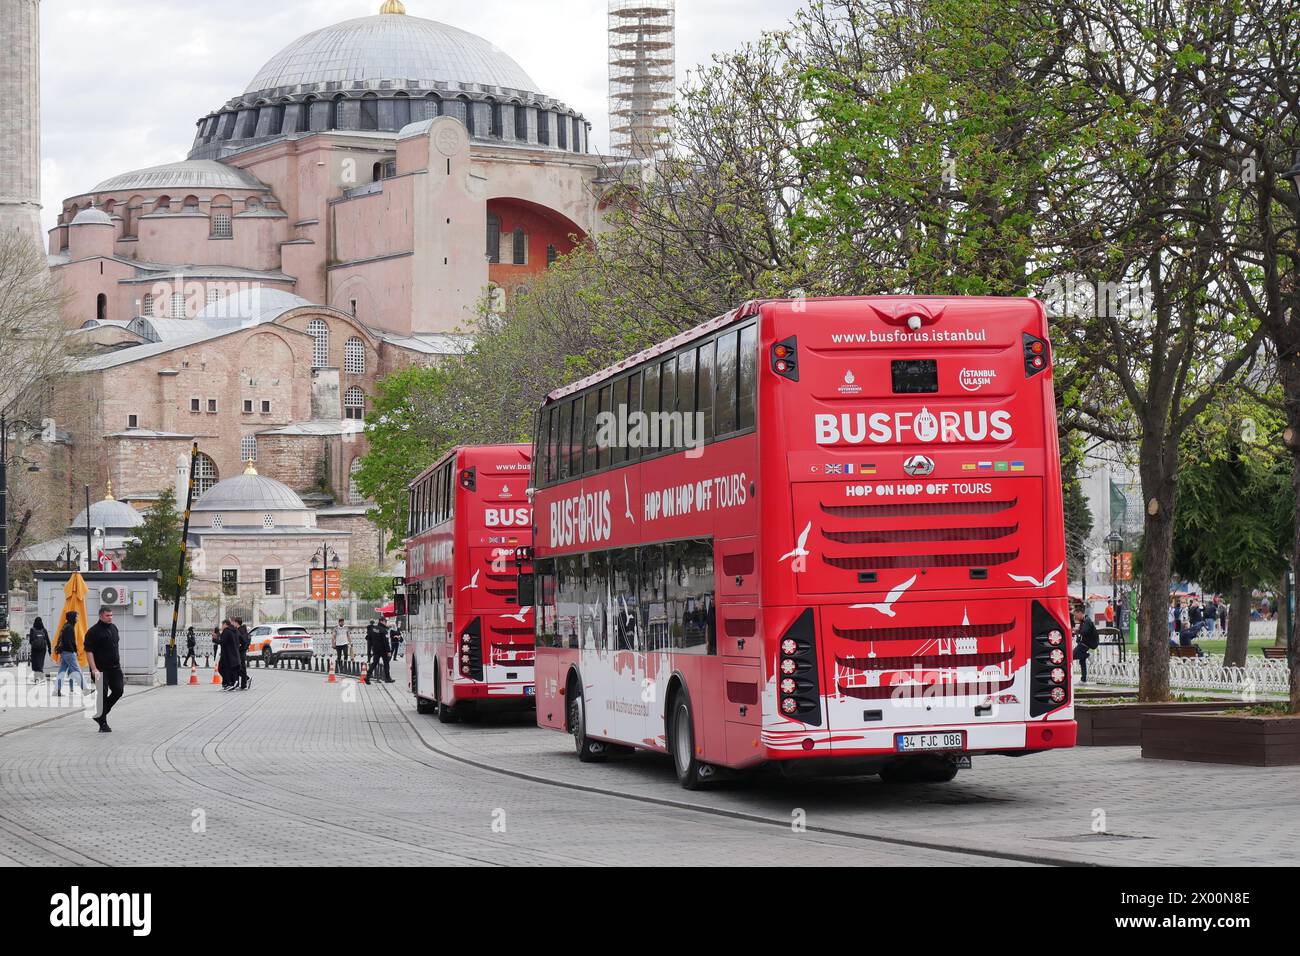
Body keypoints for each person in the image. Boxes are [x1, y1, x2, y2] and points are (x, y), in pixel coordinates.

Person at [83, 607, 124, 733]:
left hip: (115, 668)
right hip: (100, 669)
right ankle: (103, 724)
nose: (110, 617)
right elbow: (88, 651)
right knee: (102, 693)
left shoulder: (114, 628)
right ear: (101, 616)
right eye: (107, 615)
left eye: (111, 615)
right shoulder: (93, 632)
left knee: (118, 691)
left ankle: (101, 714)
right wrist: (94, 668)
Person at [53, 612, 88, 697]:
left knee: (61, 672)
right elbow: (69, 642)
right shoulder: (70, 628)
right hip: (69, 653)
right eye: (76, 617)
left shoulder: (66, 626)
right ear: (72, 617)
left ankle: (56, 691)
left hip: (64, 653)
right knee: (77, 670)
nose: (77, 618)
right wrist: (73, 651)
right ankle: (85, 690)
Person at [1072, 604, 1099, 683]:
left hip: (1088, 643)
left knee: (1072, 655)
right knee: (1082, 660)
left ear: (1080, 613)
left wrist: (1077, 631)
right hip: (1085, 642)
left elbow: (1084, 632)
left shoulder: (1087, 620)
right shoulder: (1083, 621)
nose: (1075, 617)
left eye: (1076, 615)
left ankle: (1088, 655)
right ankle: (1083, 679)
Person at [216, 619, 241, 690]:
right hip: (233, 654)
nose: (221, 626)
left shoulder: (226, 631)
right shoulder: (234, 630)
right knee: (228, 669)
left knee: (221, 668)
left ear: (225, 624)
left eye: (222, 625)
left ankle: (229, 683)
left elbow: (222, 641)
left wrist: (215, 639)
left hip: (227, 654)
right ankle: (227, 683)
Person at [234, 617, 251, 690]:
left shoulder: (239, 630)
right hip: (242, 651)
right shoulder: (243, 630)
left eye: (234, 622)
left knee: (239, 667)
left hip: (240, 652)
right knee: (241, 667)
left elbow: (241, 641)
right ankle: (243, 684)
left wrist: (240, 648)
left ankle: (245, 679)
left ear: (237, 622)